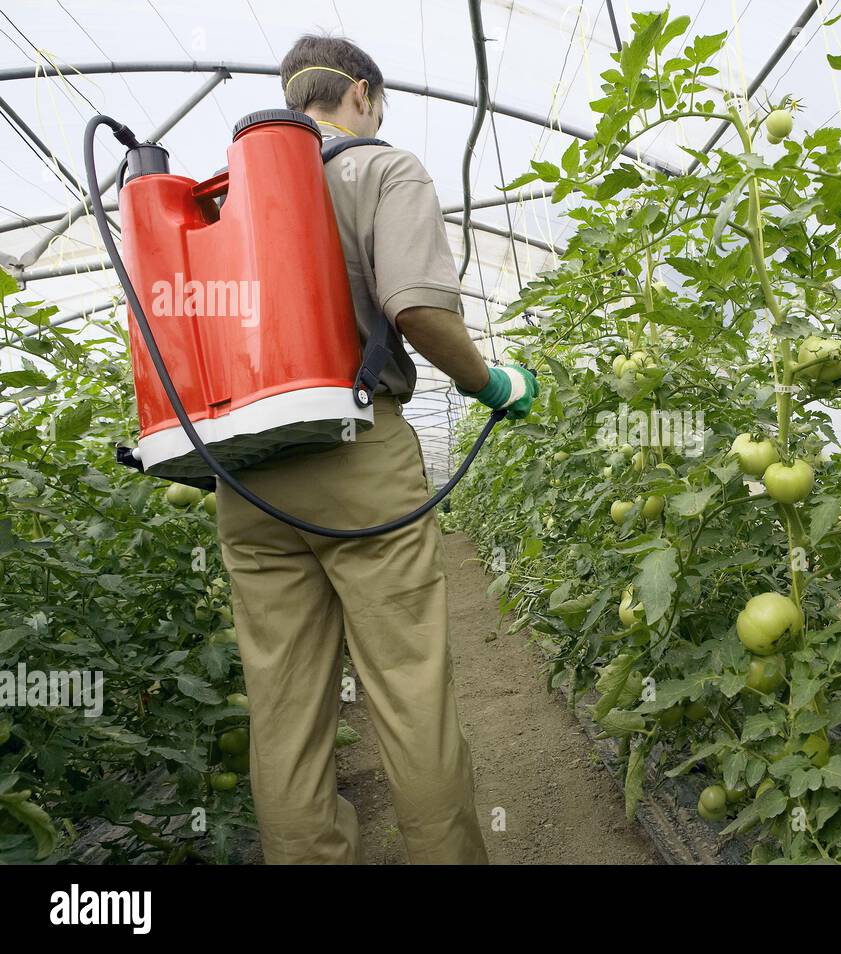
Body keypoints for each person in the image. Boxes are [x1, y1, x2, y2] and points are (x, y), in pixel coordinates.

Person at [214, 33, 536, 864]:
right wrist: (490, 384)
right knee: (408, 690)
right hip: (358, 450)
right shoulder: (381, 168)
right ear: (360, 94)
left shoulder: (226, 200)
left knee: (283, 708)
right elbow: (417, 310)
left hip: (245, 479)